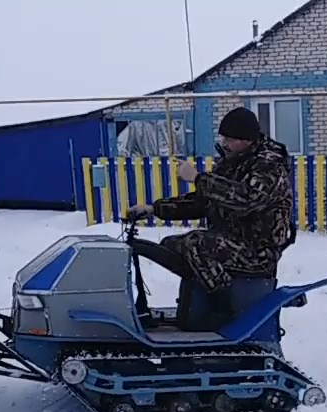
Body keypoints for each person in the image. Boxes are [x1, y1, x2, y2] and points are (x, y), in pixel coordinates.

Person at [126, 107, 296, 310]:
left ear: (248, 140)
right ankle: (195, 304)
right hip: (231, 240)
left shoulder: (269, 165)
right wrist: (155, 209)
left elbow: (245, 199)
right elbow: (203, 201)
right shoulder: (232, 161)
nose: (224, 144)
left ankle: (224, 306)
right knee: (170, 245)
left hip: (257, 250)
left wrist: (198, 178)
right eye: (223, 138)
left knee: (196, 244)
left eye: (230, 139)